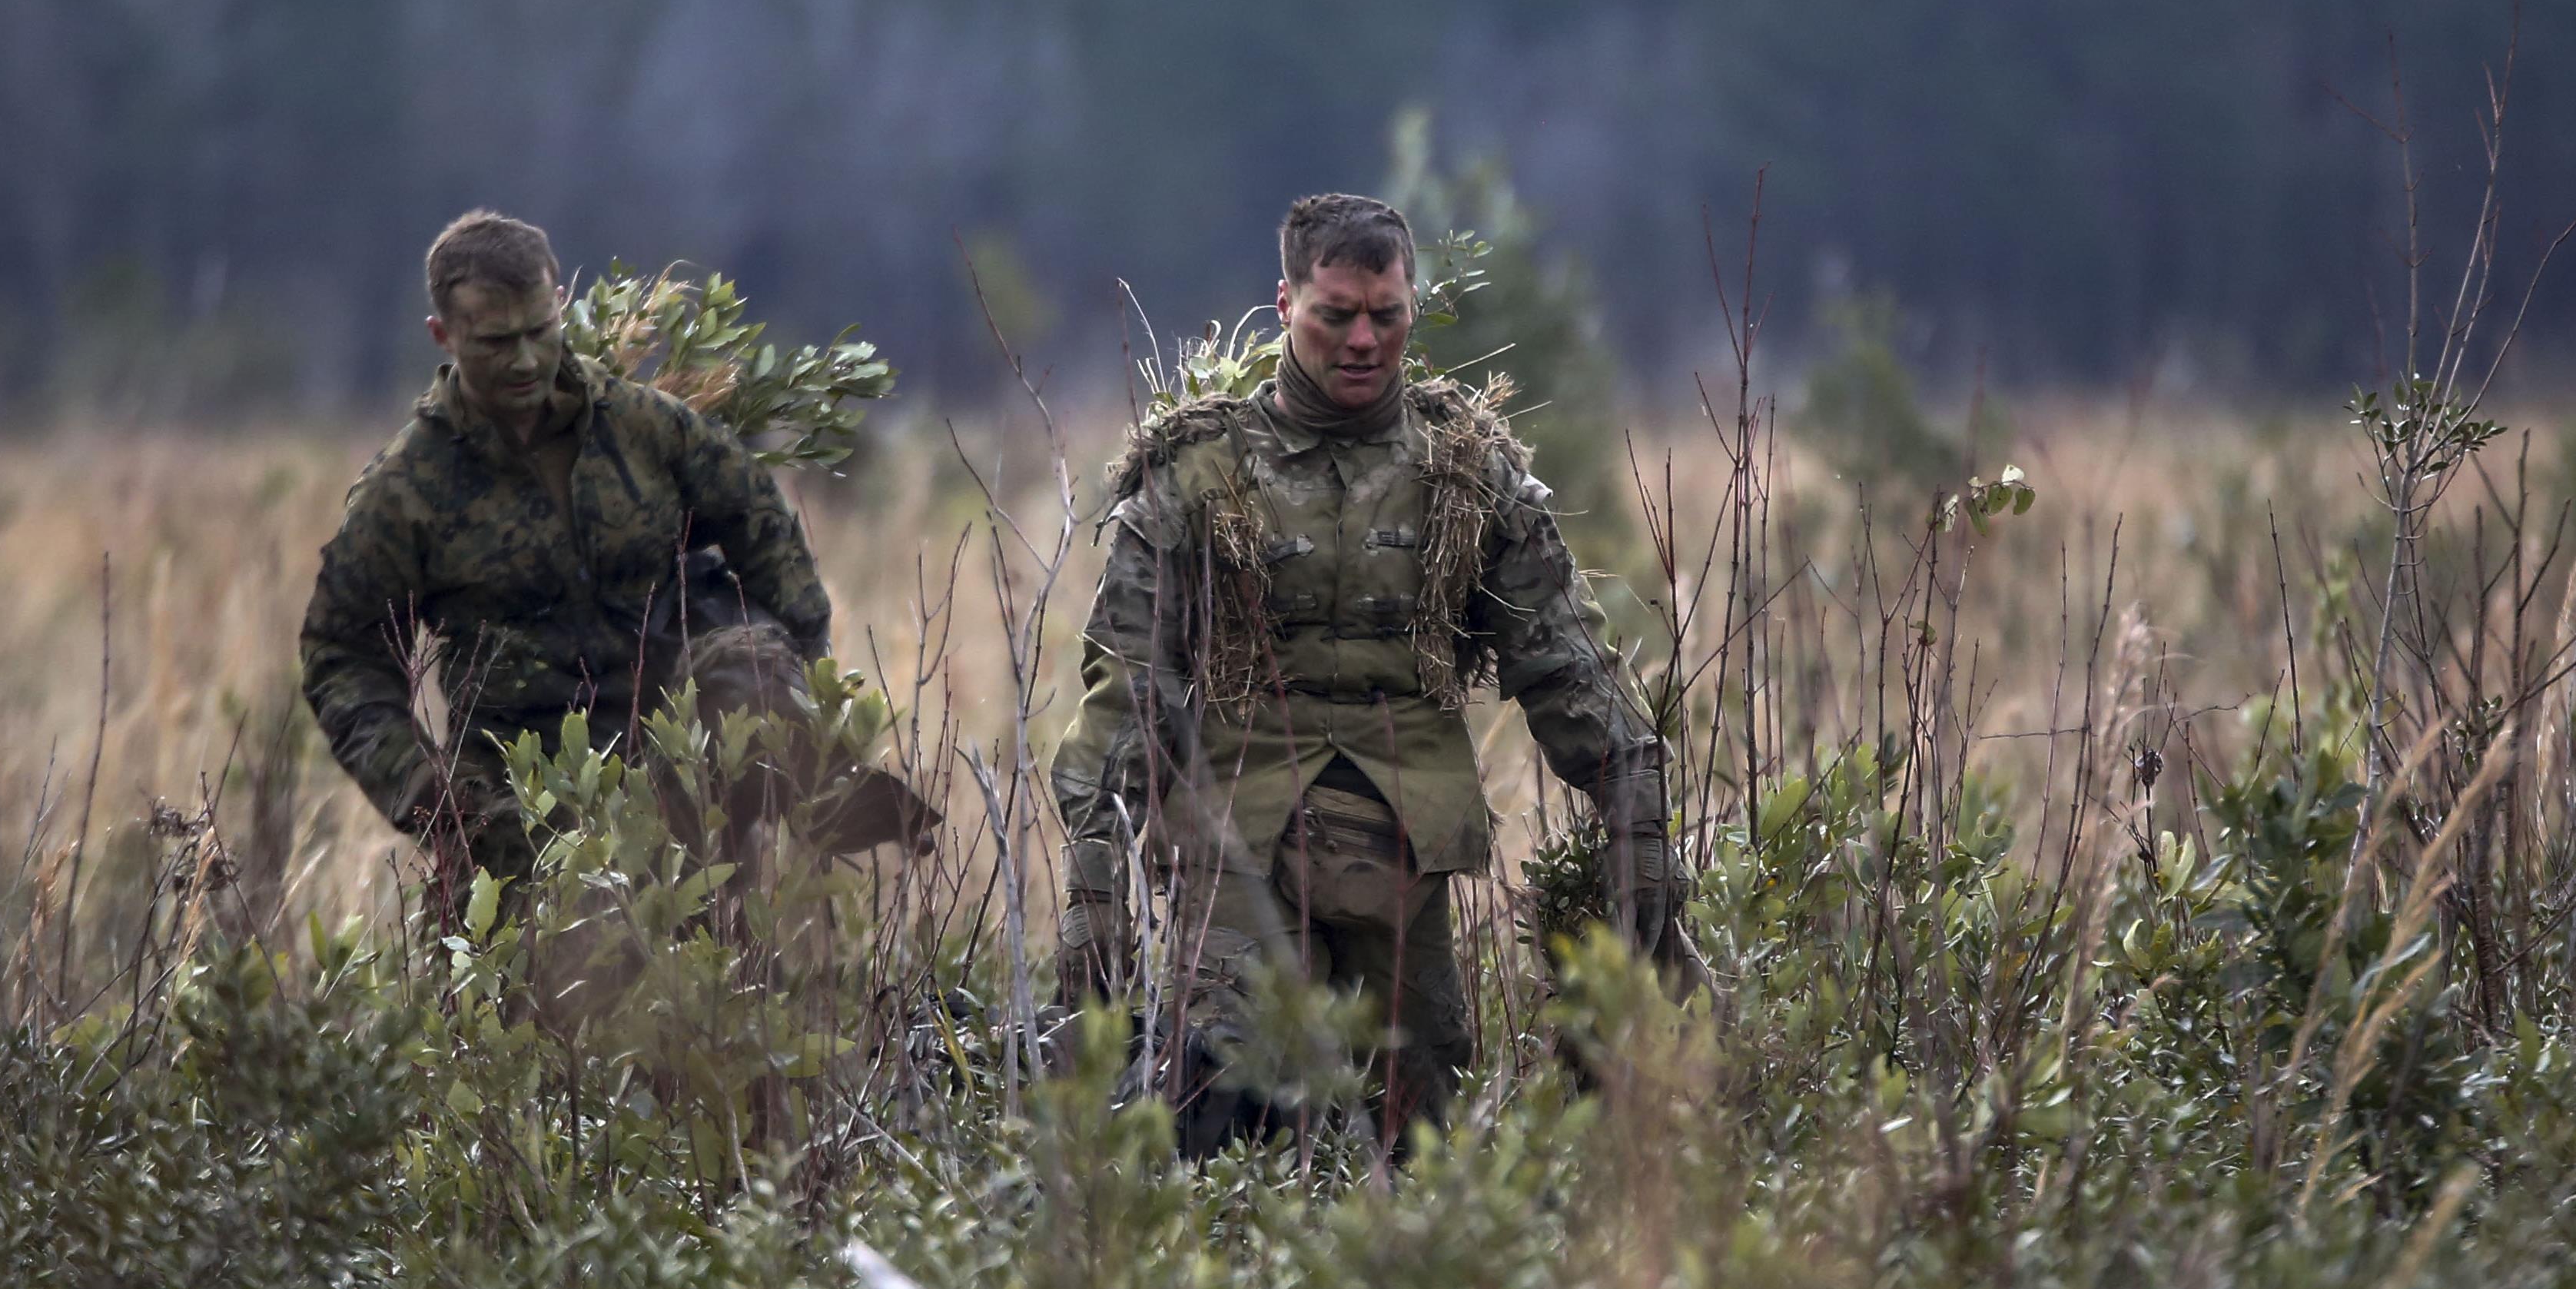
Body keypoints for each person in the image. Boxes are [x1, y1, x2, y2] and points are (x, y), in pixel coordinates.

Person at [1050, 191, 1677, 1149]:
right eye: (1334, 313)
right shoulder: (1193, 475)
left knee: (1422, 1133)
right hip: (1237, 833)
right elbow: (1123, 690)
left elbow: (1571, 670)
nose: (1361, 340)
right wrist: (1095, 887)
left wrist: (1637, 820)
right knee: (1217, 1107)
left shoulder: (1468, 473)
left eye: (1385, 315)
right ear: (1284, 303)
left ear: (1410, 306)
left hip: (1406, 846)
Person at [300, 209, 905, 905]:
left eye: (539, 331)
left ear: (561, 304)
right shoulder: (405, 491)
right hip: (520, 822)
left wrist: (785, 694)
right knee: (533, 1007)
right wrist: (436, 800)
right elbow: (340, 657)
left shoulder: (650, 429)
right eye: (496, 341)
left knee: (723, 998)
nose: (526, 360)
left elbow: (765, 532)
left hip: (686, 810)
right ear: (444, 334)